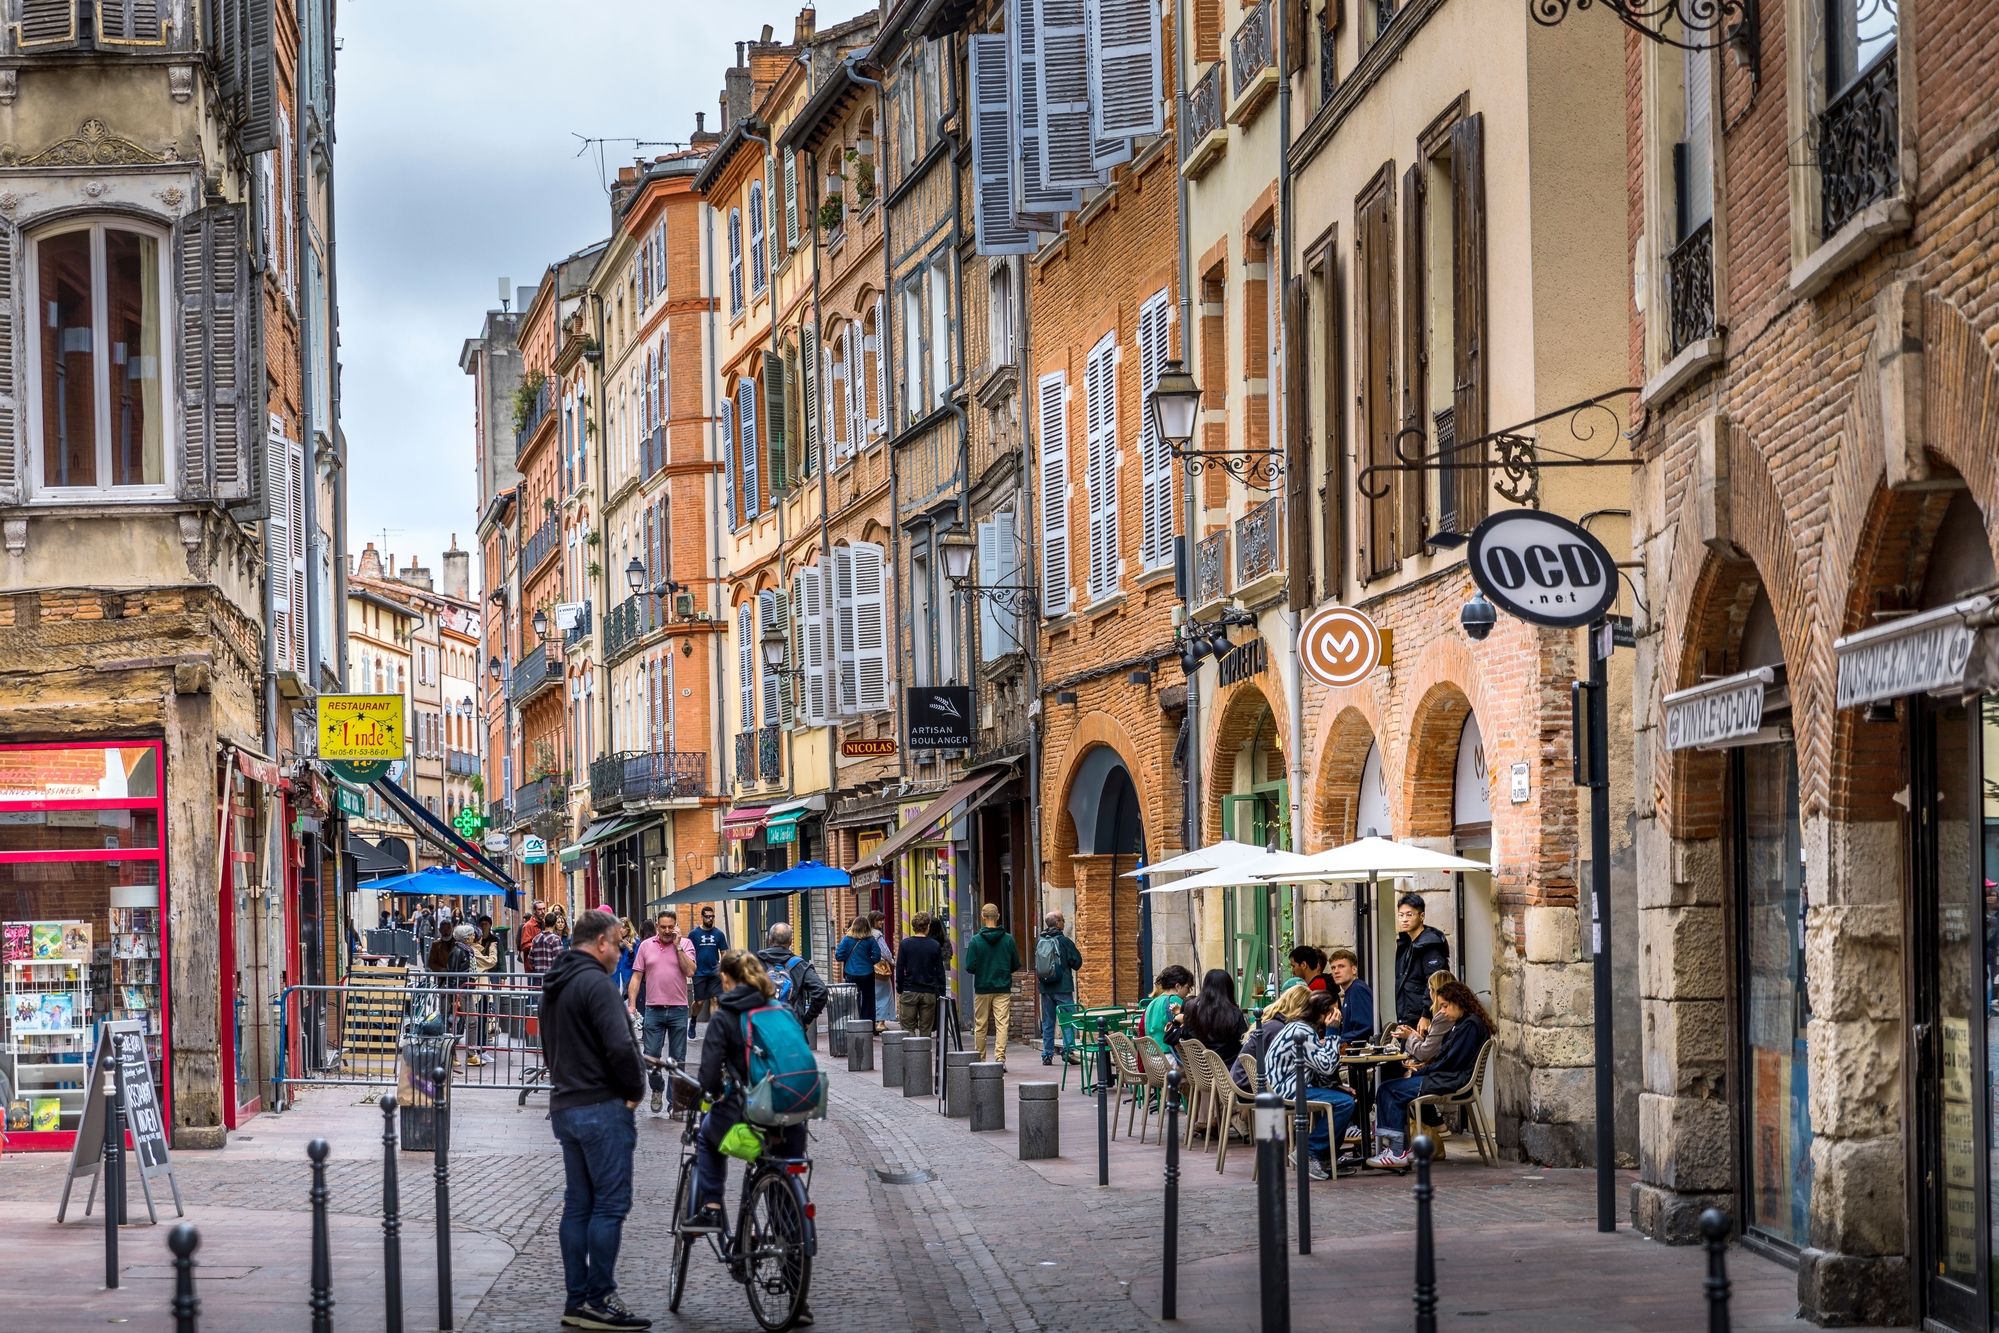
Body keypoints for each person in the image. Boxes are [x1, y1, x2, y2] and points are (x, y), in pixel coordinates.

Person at [684, 948, 813, 1333]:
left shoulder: (726, 1015)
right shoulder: (782, 1009)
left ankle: (710, 1205)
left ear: (726, 979)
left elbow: (709, 1077)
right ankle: (798, 1298)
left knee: (708, 1138)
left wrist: (707, 1094)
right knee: (783, 1200)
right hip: (794, 1111)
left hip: (751, 1110)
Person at [539, 909, 648, 1331]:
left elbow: (548, 1047)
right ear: (601, 942)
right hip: (601, 1107)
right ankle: (599, 1299)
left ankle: (576, 1301)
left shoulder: (555, 984)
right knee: (609, 1204)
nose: (620, 952)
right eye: (617, 944)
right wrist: (634, 1090)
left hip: (566, 1104)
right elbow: (620, 1046)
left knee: (578, 1204)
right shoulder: (597, 984)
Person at [1367, 979, 1492, 1170]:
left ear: (1458, 1002)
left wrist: (1419, 1071)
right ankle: (1401, 1149)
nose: (1442, 1011)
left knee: (1389, 1090)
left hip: (1450, 1080)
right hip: (1447, 1077)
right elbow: (1447, 1059)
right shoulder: (1465, 1023)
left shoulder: (1469, 1026)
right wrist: (1421, 1068)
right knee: (1389, 1087)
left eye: (1445, 1005)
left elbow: (1450, 1062)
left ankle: (1397, 1151)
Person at [1261, 988, 1356, 1181]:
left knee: (1343, 1098)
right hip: (1288, 1089)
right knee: (1344, 1103)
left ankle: (1327, 1157)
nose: (1338, 1017)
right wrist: (1333, 1031)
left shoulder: (1300, 1027)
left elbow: (1316, 1069)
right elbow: (1327, 1066)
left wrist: (1335, 1087)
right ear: (1323, 1013)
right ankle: (1310, 1151)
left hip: (1287, 1086)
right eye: (1334, 1012)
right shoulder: (1301, 1032)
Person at [628, 910, 696, 1115]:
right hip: (653, 1009)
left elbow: (690, 971)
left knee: (677, 1059)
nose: (667, 931)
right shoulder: (645, 946)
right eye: (663, 927)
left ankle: (674, 1103)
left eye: (670, 927)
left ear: (676, 926)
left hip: (678, 1009)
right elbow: (636, 977)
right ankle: (657, 1088)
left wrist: (678, 947)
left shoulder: (686, 944)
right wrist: (632, 1005)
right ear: (657, 926)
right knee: (650, 1057)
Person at [963, 904, 1020, 1062]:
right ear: (998, 916)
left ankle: (980, 1059)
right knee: (1002, 1024)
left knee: (981, 1025)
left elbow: (969, 966)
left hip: (982, 987)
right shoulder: (1008, 939)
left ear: (982, 917)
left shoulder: (976, 940)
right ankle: (1000, 1058)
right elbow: (1015, 964)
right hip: (1002, 987)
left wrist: (982, 970)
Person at [1238, 984, 1315, 1088]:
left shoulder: (1272, 1022)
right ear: (1299, 1009)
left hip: (1242, 1081)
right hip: (1250, 1086)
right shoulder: (1278, 1029)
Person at [1032, 912, 1084, 1066]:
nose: (1064, 922)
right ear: (1057, 923)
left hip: (1046, 988)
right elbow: (1077, 962)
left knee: (1048, 1022)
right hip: (1063, 987)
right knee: (1067, 1020)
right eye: (1063, 920)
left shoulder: (1040, 941)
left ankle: (1047, 1054)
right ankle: (1068, 1051)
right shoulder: (1064, 941)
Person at [755, 922, 829, 1030]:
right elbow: (821, 991)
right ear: (790, 941)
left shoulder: (754, 962)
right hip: (792, 1025)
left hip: (762, 1025)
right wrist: (807, 1020)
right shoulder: (800, 965)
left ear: (769, 940)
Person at [1393, 893, 1451, 1027]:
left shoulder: (1430, 945)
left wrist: (1426, 1014)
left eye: (1409, 915)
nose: (1404, 920)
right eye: (1401, 915)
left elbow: (1435, 982)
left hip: (1423, 1018)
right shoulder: (1406, 944)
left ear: (1421, 916)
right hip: (1408, 1016)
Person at [1170, 968, 1247, 1068]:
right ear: (1229, 989)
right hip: (1228, 1072)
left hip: (1200, 1071)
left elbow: (1185, 1035)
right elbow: (1245, 1042)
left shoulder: (1192, 1009)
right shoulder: (1234, 1013)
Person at [895, 911, 948, 1036]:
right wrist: (941, 991)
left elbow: (900, 968)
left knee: (907, 1028)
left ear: (913, 926)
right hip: (928, 992)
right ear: (928, 926)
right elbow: (940, 972)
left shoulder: (905, 944)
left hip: (909, 990)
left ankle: (911, 1048)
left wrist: (900, 987)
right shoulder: (934, 945)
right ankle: (924, 1048)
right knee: (926, 1029)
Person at [835, 915, 885, 1031]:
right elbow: (877, 956)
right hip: (867, 974)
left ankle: (852, 1026)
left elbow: (838, 955)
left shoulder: (847, 939)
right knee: (868, 1001)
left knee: (852, 1000)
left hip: (850, 973)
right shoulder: (870, 940)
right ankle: (868, 1027)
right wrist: (869, 961)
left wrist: (848, 959)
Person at [686, 905, 729, 1038]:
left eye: (712, 917)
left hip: (714, 972)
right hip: (699, 973)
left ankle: (713, 1028)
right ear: (702, 917)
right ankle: (693, 1020)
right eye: (707, 916)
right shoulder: (694, 934)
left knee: (715, 999)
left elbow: (724, 952)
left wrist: (723, 968)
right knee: (699, 1002)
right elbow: (689, 952)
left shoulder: (719, 934)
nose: (710, 919)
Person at [1327, 948, 1374, 1046]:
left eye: (1341, 966)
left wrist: (1339, 1040)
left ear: (1354, 970)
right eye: (1333, 968)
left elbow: (1365, 1027)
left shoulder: (1357, 989)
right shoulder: (1351, 990)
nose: (1336, 971)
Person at [1142, 965, 1196, 1046]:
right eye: (1188, 988)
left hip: (1152, 1051)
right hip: (1169, 1051)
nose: (1188, 992)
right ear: (1178, 986)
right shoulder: (1175, 1000)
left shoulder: (1153, 1002)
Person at [867, 909, 895, 1027]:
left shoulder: (864, 933)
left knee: (872, 995)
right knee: (885, 994)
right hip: (880, 968)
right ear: (873, 920)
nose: (882, 922)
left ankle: (872, 1021)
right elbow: (885, 951)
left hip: (867, 968)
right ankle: (881, 1022)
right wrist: (892, 961)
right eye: (879, 920)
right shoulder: (877, 934)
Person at [528, 910, 567, 976]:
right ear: (555, 923)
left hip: (538, 976)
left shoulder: (536, 939)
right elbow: (559, 961)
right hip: (551, 977)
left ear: (545, 922)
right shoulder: (556, 939)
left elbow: (530, 958)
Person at [613, 919, 638, 996]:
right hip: (615, 979)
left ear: (628, 929)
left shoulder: (635, 943)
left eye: (623, 927)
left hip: (628, 980)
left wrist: (631, 951)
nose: (620, 930)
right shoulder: (614, 942)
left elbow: (637, 963)